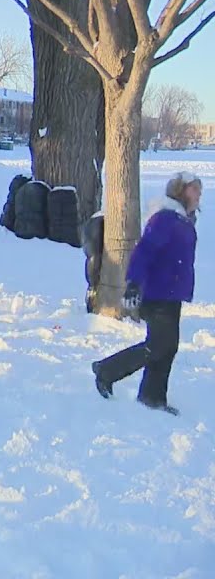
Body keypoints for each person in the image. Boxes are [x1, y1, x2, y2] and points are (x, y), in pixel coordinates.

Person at [91, 171, 201, 415]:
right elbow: (144, 251)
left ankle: (152, 397)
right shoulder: (165, 218)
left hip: (172, 295)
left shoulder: (183, 220)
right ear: (180, 191)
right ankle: (106, 370)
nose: (199, 195)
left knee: (167, 346)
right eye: (195, 189)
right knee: (159, 345)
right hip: (157, 294)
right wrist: (133, 283)